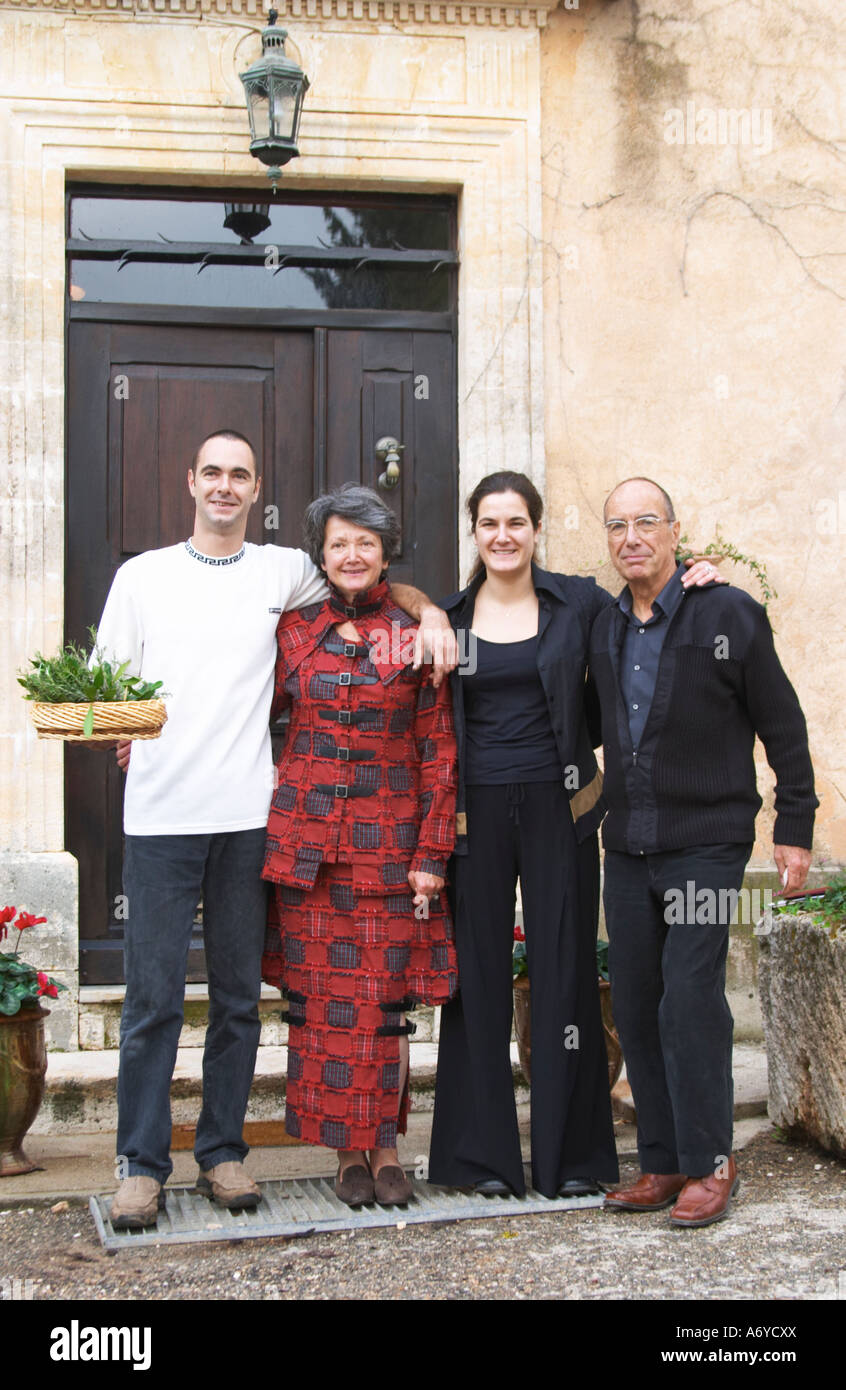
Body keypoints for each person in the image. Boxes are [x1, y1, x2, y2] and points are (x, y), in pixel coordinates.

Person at [93, 431, 457, 1229]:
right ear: (191, 481)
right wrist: (118, 728)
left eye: (241, 475)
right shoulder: (140, 578)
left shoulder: (282, 572)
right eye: (212, 473)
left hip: (252, 820)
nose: (225, 487)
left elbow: (370, 577)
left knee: (234, 1002)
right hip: (159, 820)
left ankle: (222, 1154)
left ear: (258, 489)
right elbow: (101, 692)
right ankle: (141, 1167)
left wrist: (431, 611)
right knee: (153, 1001)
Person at [593, 477, 817, 1227]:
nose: (632, 537)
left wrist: (796, 825)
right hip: (627, 846)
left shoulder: (726, 610)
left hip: (709, 846)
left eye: (646, 522)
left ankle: (711, 1163)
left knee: (690, 999)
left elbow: (781, 725)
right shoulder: (606, 623)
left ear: (676, 530)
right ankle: (661, 1161)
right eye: (617, 525)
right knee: (635, 1000)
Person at [261, 485, 458, 1206]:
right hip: (306, 856)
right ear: (321, 551)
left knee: (384, 1006)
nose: (352, 554)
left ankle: (388, 1148)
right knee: (321, 1005)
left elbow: (439, 751)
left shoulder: (416, 635)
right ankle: (345, 1151)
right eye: (340, 542)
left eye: (366, 543)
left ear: (385, 553)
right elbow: (245, 718)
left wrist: (432, 854)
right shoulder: (293, 633)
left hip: (390, 851)